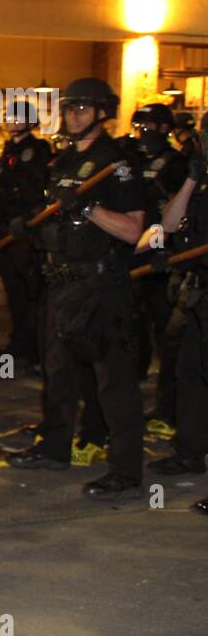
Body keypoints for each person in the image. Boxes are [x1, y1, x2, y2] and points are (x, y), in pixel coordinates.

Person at [6, 78, 147, 498]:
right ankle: (54, 447)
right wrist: (33, 228)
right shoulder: (63, 162)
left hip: (103, 286)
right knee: (58, 372)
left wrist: (89, 208)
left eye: (83, 108)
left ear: (103, 112)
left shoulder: (119, 165)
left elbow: (133, 230)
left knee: (113, 381)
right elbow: (55, 216)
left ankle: (125, 469)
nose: (74, 116)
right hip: (61, 283)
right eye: (69, 109)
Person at [144, 151, 208, 484]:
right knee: (190, 373)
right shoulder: (199, 184)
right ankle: (191, 451)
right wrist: (191, 181)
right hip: (200, 294)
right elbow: (169, 224)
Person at [126, 104, 187, 424]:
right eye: (141, 126)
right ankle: (131, 396)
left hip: (163, 258)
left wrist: (162, 247)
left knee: (168, 337)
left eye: (150, 126)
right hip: (134, 253)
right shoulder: (132, 160)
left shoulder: (176, 165)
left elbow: (175, 217)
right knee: (131, 330)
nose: (143, 133)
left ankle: (168, 409)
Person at [0, 95, 51, 372]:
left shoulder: (38, 149)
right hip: (6, 227)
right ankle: (19, 341)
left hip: (26, 229)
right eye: (8, 117)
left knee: (32, 292)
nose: (11, 121)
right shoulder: (8, 150)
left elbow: (34, 188)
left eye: (17, 117)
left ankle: (39, 349)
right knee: (13, 290)